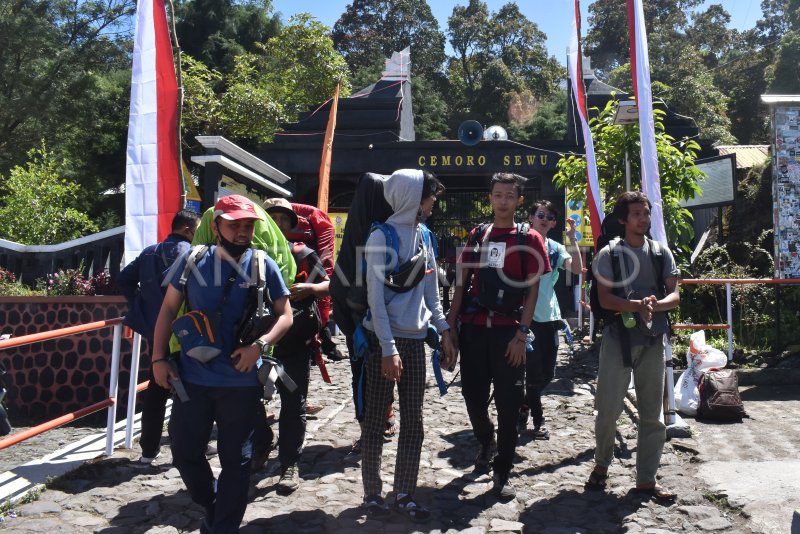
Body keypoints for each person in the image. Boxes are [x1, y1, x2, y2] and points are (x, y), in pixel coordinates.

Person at [151, 195, 293, 533]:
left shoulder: (263, 264)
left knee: (237, 460)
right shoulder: (191, 261)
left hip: (241, 382)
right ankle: (213, 503)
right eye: (234, 224)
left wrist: (259, 346)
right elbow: (168, 310)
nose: (243, 231)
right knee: (184, 451)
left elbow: (285, 316)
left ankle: (224, 526)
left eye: (247, 225)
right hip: (193, 377)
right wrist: (158, 357)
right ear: (216, 226)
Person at [447, 172, 550, 501]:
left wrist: (523, 333)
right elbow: (461, 285)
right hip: (474, 330)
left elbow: (533, 291)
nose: (503, 200)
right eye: (497, 194)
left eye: (510, 195)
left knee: (509, 403)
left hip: (509, 332)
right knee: (472, 396)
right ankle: (485, 438)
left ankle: (502, 470)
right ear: (490, 198)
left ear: (519, 201)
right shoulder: (477, 235)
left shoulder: (529, 238)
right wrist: (450, 324)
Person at [360, 169, 455, 521]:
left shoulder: (424, 236)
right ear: (413, 197)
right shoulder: (380, 238)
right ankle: (372, 492)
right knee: (375, 419)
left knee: (413, 420)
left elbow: (430, 292)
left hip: (415, 341)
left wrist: (443, 329)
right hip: (383, 342)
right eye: (430, 196)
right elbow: (375, 298)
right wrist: (388, 348)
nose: (433, 203)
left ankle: (404, 491)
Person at [584, 191, 680, 502]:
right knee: (608, 410)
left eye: (646, 213)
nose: (643, 219)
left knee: (653, 413)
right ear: (624, 219)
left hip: (652, 340)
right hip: (618, 340)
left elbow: (675, 295)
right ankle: (601, 464)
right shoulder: (609, 255)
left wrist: (654, 305)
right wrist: (636, 306)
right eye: (637, 214)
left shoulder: (660, 252)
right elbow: (604, 299)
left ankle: (646, 480)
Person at [116, 209, 201, 464]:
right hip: (188, 332)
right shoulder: (194, 254)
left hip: (156, 331)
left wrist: (139, 305)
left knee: (157, 390)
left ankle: (148, 451)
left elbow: (123, 280)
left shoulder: (149, 251)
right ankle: (187, 449)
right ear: (188, 229)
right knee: (190, 392)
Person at [263, 197, 330, 493]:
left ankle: (289, 463)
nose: (278, 224)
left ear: (291, 223)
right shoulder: (250, 256)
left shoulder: (303, 253)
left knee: (293, 404)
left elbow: (331, 283)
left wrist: (311, 288)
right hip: (257, 342)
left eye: (283, 219)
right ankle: (263, 441)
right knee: (246, 401)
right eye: (272, 218)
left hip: (295, 340)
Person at [519, 200, 584, 439]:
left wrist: (573, 240)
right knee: (534, 373)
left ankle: (524, 405)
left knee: (548, 374)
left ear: (554, 223)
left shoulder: (555, 248)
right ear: (531, 218)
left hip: (550, 316)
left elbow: (577, 269)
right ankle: (537, 420)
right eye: (540, 214)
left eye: (549, 216)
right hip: (527, 317)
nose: (544, 219)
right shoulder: (520, 244)